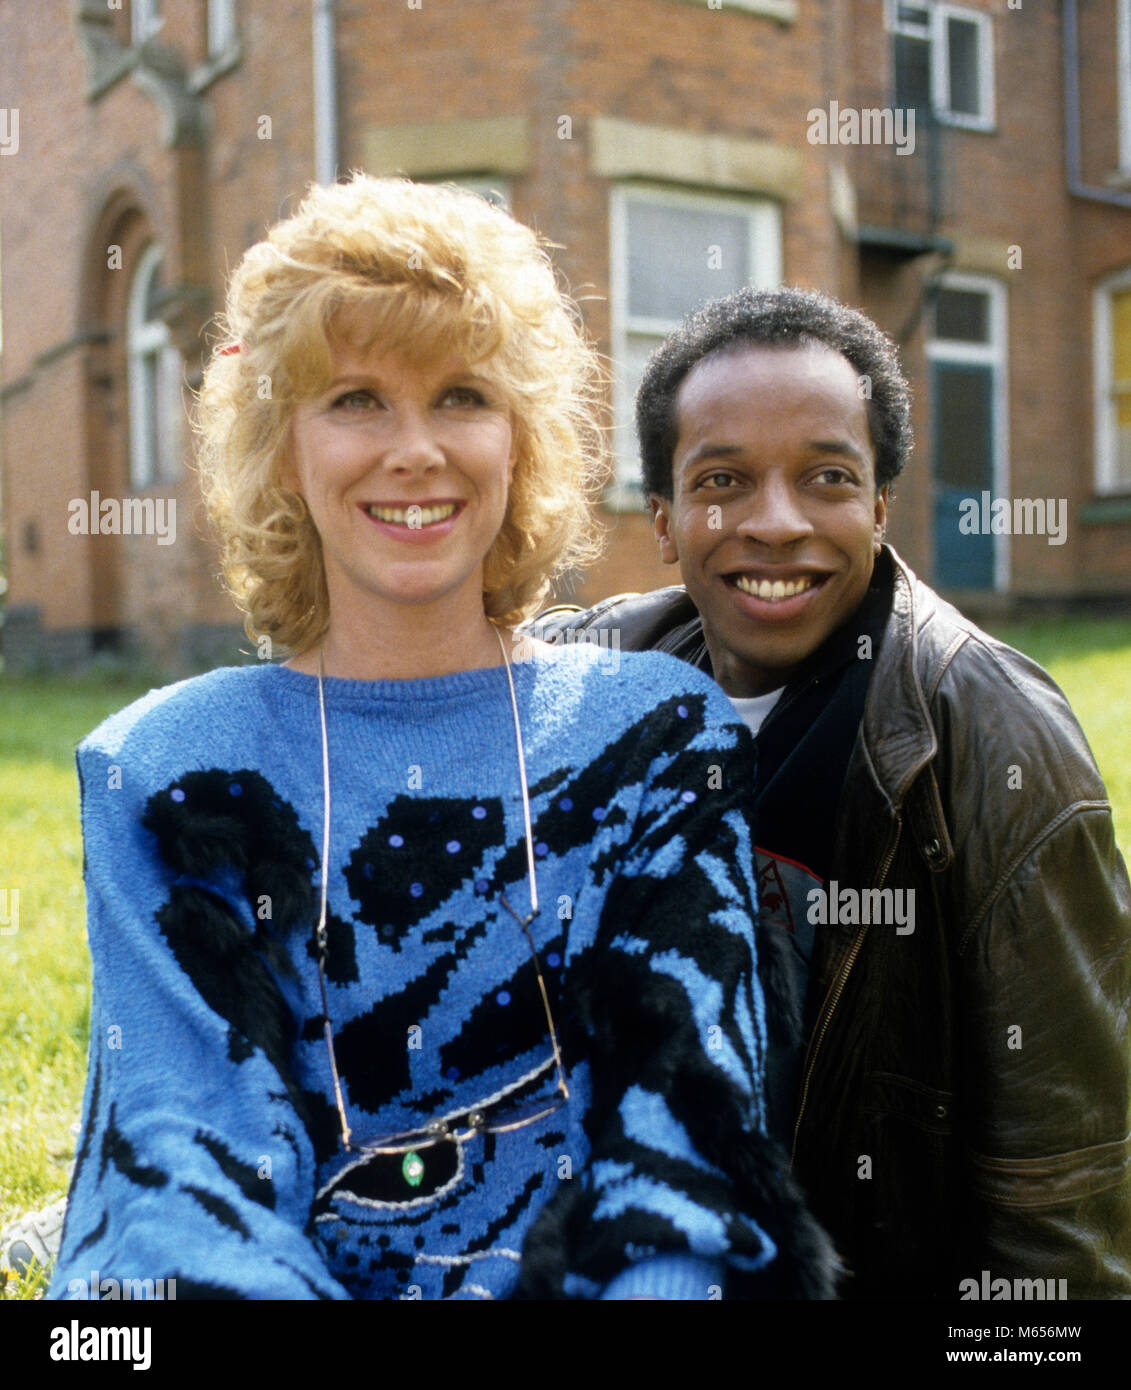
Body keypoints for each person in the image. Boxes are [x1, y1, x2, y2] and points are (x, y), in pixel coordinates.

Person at [47, 180, 834, 1301]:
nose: (414, 451)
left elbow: (688, 1154)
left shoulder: (656, 739)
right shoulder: (169, 773)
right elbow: (184, 1184)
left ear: (520, 438)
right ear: (280, 446)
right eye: (357, 399)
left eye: (462, 395)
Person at [535, 285, 1131, 1299]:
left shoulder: (991, 739)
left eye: (827, 477)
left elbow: (1064, 1194)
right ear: (666, 520)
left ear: (879, 506)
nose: (778, 523)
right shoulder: (594, 681)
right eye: (724, 479)